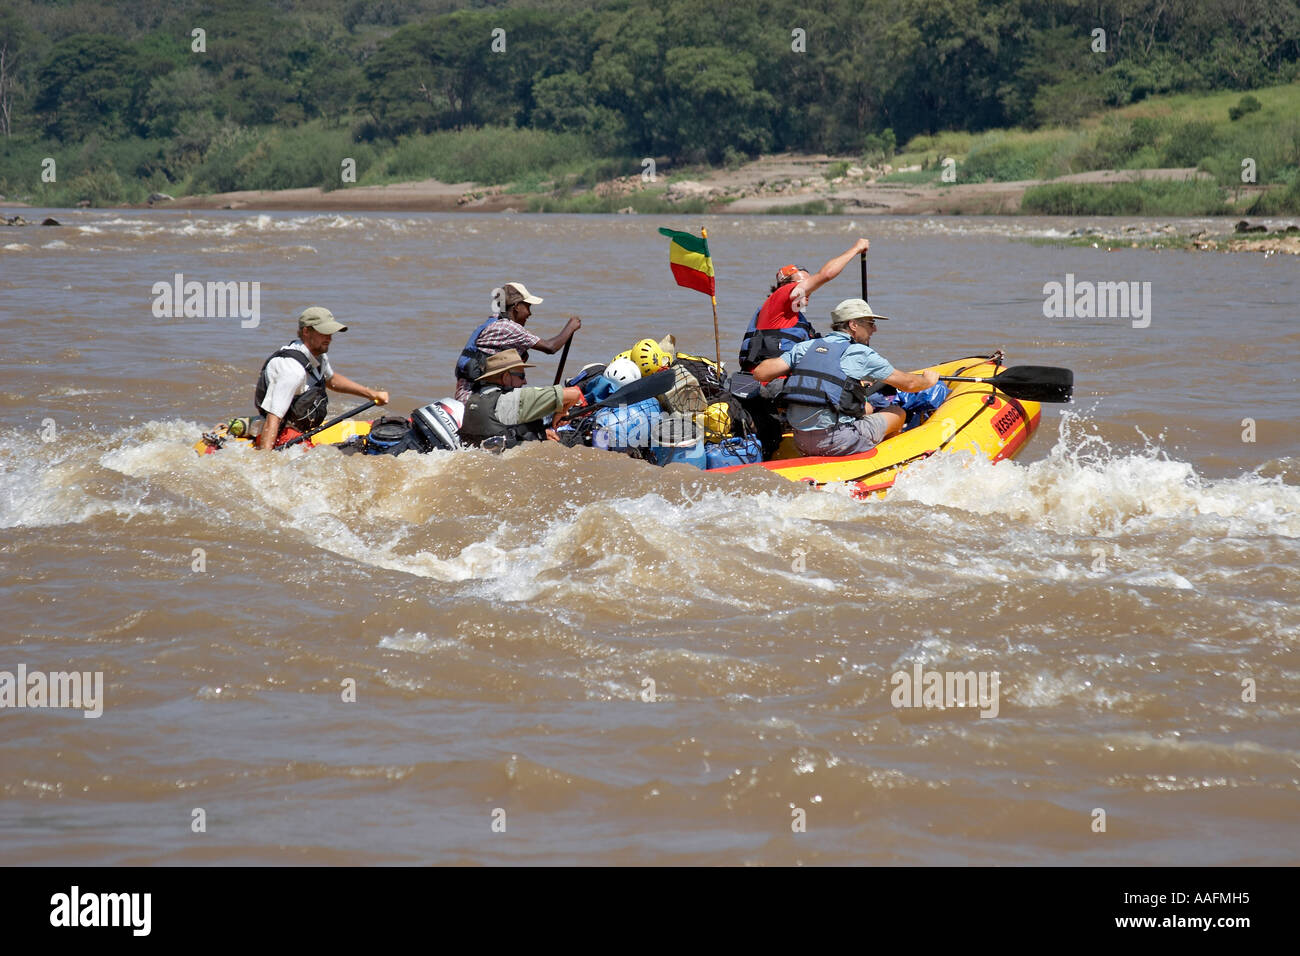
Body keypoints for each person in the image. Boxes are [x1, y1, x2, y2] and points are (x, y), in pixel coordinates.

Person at [750, 298, 940, 457]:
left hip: (801, 440)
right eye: (871, 324)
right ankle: (889, 459)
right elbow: (909, 383)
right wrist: (928, 381)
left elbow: (760, 373)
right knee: (897, 412)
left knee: (867, 408)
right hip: (837, 442)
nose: (875, 330)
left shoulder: (807, 347)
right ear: (853, 325)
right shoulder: (859, 353)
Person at [254, 306, 389, 450]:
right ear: (306, 331)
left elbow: (332, 380)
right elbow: (273, 418)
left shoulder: (318, 356)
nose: (329, 338)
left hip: (299, 427)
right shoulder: (292, 371)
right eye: (324, 332)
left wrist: (371, 394)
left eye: (331, 332)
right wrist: (266, 461)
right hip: (281, 431)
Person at [737, 237, 871, 372]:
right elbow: (827, 274)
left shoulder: (797, 318)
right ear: (783, 286)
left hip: (790, 380)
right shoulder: (778, 299)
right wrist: (856, 249)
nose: (809, 289)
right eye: (803, 285)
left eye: (809, 284)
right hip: (769, 383)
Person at [454, 281, 581, 403]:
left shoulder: (494, 320)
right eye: (528, 307)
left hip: (467, 393)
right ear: (516, 306)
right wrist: (571, 326)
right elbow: (551, 347)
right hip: (474, 397)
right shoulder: (509, 328)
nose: (530, 313)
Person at [459, 349, 585, 447]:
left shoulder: (474, 399)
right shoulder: (512, 399)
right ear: (506, 377)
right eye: (521, 376)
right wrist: (561, 411)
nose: (525, 381)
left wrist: (539, 434)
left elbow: (503, 429)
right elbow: (574, 393)